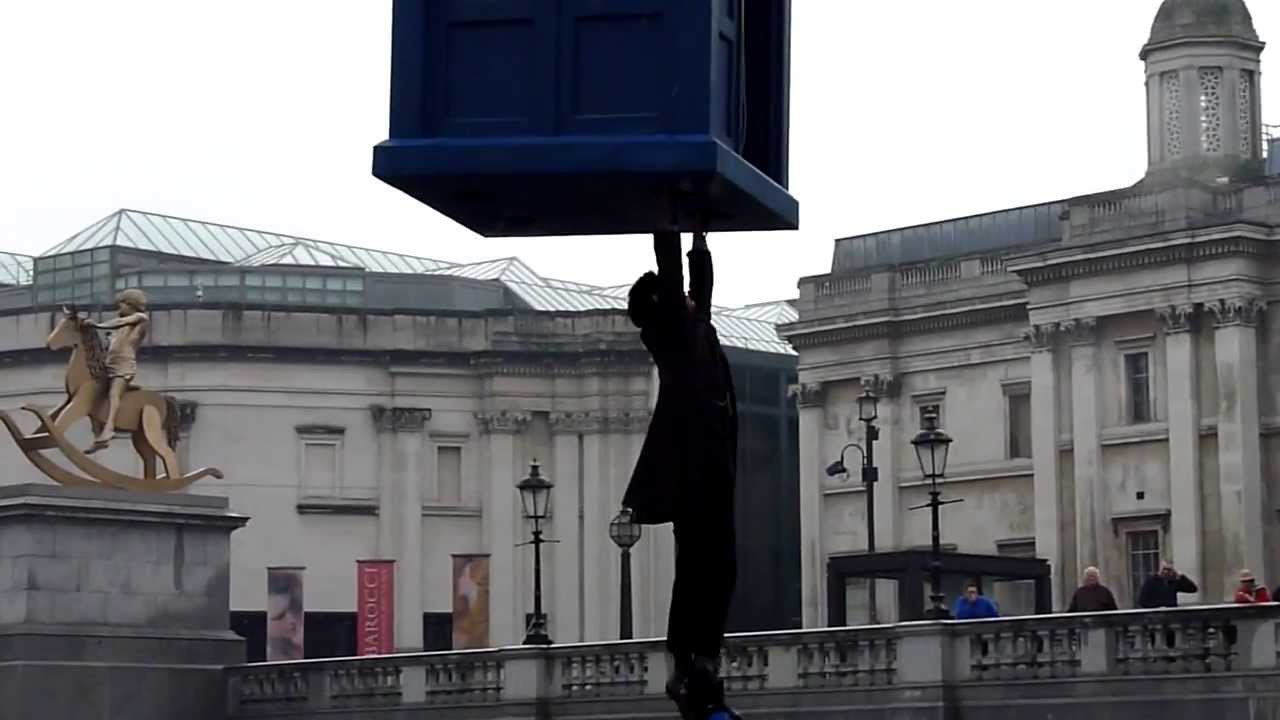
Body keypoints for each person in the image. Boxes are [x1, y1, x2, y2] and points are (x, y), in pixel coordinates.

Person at [620, 229, 738, 720]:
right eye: (679, 296)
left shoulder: (696, 326)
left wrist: (700, 237)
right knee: (696, 568)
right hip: (692, 466)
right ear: (662, 305)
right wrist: (666, 222)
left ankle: (702, 655)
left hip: (714, 463)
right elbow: (673, 278)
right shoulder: (669, 333)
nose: (690, 298)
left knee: (721, 566)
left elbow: (699, 287)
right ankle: (686, 657)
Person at [84, 288, 149, 454]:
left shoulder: (140, 318)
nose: (118, 310)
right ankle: (97, 432)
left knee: (114, 394)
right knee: (95, 392)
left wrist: (97, 324)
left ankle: (110, 428)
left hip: (123, 365)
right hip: (109, 364)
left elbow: (118, 322)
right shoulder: (120, 328)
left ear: (130, 304)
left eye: (121, 305)